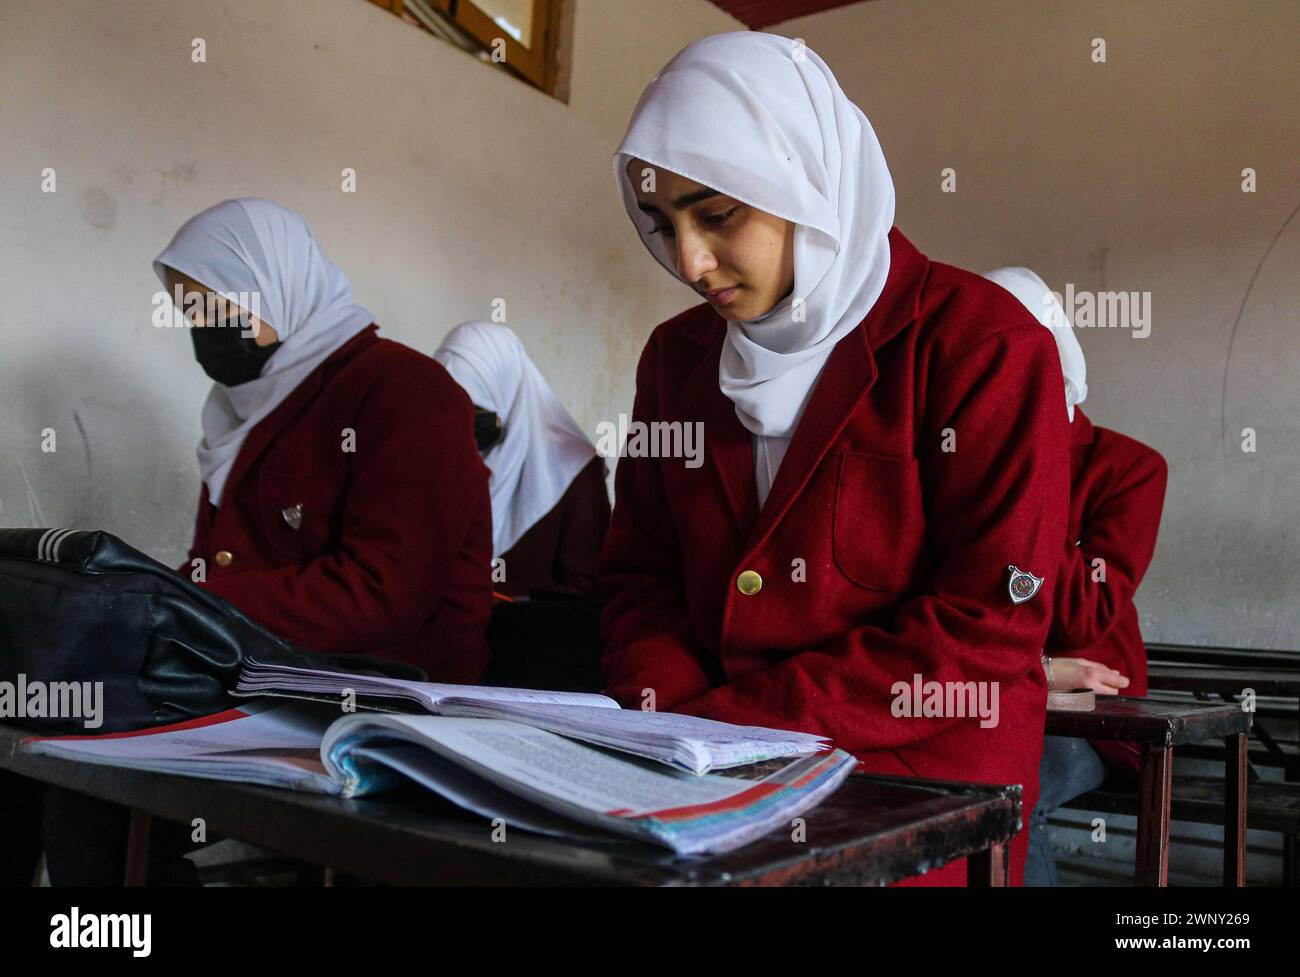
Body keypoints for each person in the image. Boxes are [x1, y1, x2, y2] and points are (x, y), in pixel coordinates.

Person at [598, 32, 1072, 885]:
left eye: (716, 214)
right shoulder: (676, 359)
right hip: (703, 771)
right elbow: (641, 570)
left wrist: (738, 728)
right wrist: (673, 721)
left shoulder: (982, 342)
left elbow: (984, 628)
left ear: (807, 181)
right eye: (663, 224)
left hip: (913, 788)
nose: (689, 262)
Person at [41, 198, 493, 885]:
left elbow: (384, 593)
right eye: (192, 314)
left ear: (281, 283)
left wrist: (182, 606)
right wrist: (141, 603)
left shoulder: (405, 391)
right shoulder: (239, 414)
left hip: (382, 697)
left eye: (219, 308)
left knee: (92, 796)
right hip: (256, 680)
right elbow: (210, 565)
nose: (205, 332)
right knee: (47, 743)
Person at [986, 266, 1169, 886]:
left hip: (1088, 715)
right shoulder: (954, 453)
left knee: (1008, 793)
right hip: (985, 690)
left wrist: (1026, 471)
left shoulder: (1129, 469)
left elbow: (1080, 615)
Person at [433, 321, 609, 598]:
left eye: (476, 408)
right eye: (451, 408)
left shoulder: (574, 470)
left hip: (533, 637)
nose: (462, 422)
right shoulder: (440, 460)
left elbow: (587, 590)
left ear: (507, 393)